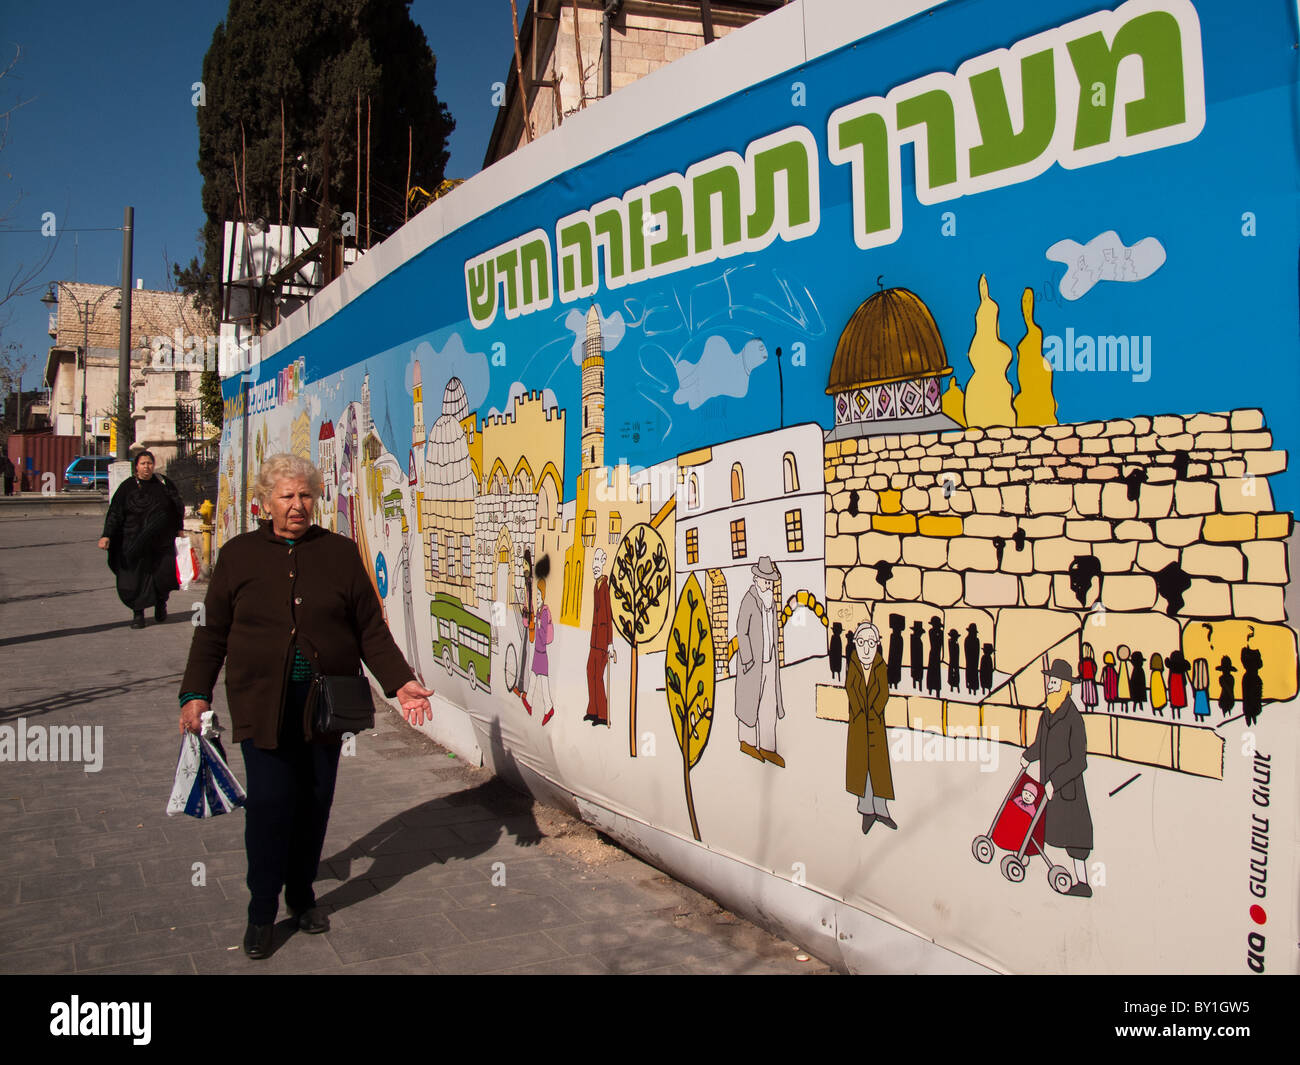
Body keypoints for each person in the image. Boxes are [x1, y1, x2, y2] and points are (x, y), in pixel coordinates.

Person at [178, 453, 433, 960]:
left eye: (305, 495)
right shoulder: (238, 555)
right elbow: (212, 633)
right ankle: (260, 910)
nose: (297, 505)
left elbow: (368, 626)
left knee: (314, 802)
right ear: (265, 502)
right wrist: (195, 693)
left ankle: (301, 895)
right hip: (261, 701)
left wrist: (399, 681)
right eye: (286, 496)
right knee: (271, 805)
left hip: (325, 706)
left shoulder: (338, 552)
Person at [1021, 659, 1093, 897]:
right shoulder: (1047, 714)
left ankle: (1082, 883)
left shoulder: (1073, 719)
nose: (1050, 686)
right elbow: (1040, 743)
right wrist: (1027, 757)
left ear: (1065, 686)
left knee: (1075, 839)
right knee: (1042, 826)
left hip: (1067, 788)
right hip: (1048, 785)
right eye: (1050, 681)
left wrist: (1056, 781)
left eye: (1054, 682)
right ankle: (1028, 861)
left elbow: (1079, 760)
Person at [98, 451, 184, 628]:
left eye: (149, 463)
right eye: (143, 464)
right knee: (134, 579)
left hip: (161, 543)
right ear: (136, 466)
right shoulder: (127, 487)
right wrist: (106, 535)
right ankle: (138, 614)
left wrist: (179, 528)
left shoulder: (164, 483)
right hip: (133, 543)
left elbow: (177, 506)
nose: (147, 467)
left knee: (163, 577)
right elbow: (115, 512)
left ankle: (161, 604)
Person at [734, 556, 785, 767]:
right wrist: (747, 659)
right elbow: (741, 630)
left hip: (769, 660)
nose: (768, 584)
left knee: (768, 703)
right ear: (756, 579)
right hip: (753, 663)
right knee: (749, 702)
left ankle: (767, 745)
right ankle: (747, 741)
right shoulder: (749, 599)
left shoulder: (770, 603)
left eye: (770, 581)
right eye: (765, 581)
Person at [845, 622, 895, 834]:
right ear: (856, 644)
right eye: (862, 643)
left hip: (875, 724)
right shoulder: (854, 666)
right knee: (861, 768)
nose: (866, 649)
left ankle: (881, 809)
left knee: (879, 769)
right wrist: (860, 711)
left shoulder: (880, 667)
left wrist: (873, 711)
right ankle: (866, 809)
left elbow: (883, 693)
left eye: (871, 644)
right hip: (859, 724)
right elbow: (851, 689)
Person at [584, 549, 615, 726]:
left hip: (602, 641)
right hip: (594, 640)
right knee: (590, 672)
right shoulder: (596, 586)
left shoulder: (604, 587)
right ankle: (592, 710)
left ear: (603, 562)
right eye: (594, 560)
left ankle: (602, 714)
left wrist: (610, 643)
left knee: (598, 676)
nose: (595, 564)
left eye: (598, 560)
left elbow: (608, 615)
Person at [527, 579, 555, 726]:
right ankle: (529, 700)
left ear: (543, 595)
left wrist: (538, 624)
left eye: (538, 594)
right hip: (538, 651)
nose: (537, 597)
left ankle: (548, 707)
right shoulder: (538, 611)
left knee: (542, 680)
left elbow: (544, 636)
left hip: (541, 652)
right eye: (536, 594)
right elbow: (528, 625)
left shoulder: (544, 613)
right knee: (534, 676)